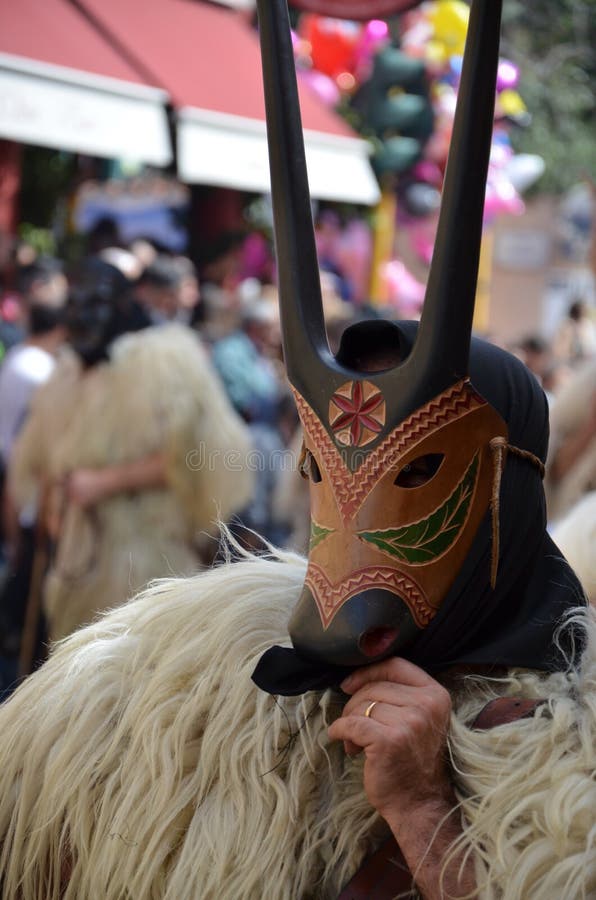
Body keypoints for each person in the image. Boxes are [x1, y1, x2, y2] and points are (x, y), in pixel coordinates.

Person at [6, 258, 254, 645]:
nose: (83, 316)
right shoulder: (67, 373)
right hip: (78, 563)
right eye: (76, 304)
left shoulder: (162, 360)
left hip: (148, 562)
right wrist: (53, 506)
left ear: (123, 305)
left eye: (96, 304)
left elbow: (196, 456)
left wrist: (104, 483)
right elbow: (38, 460)